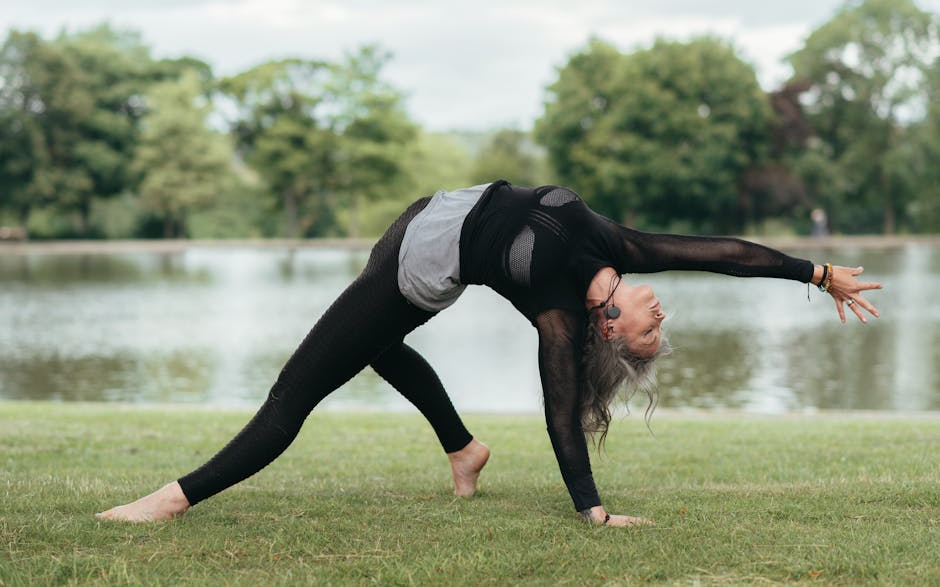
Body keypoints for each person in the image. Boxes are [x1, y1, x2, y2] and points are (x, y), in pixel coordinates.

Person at [97, 181, 882, 526]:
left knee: (294, 390)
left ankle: (172, 497)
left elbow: (561, 414)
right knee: (375, 351)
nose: (660, 312)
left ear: (610, 330)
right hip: (424, 215)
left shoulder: (558, 318)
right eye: (658, 320)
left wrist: (592, 508)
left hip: (414, 270)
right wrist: (816, 273)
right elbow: (723, 254)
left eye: (652, 330)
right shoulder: (620, 247)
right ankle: (464, 448)